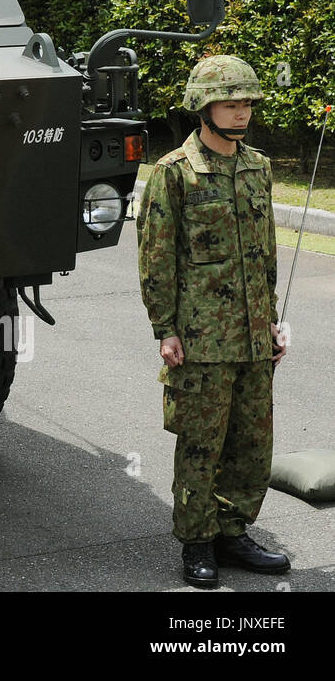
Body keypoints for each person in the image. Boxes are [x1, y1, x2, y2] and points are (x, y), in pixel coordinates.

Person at [136, 55, 290, 589]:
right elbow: (157, 258)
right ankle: (197, 542)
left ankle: (233, 532)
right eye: (231, 102)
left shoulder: (259, 167)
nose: (242, 112)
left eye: (247, 102)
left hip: (252, 335)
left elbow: (265, 254)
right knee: (201, 442)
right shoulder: (173, 173)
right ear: (203, 107)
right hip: (201, 337)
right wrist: (165, 329)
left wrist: (272, 322)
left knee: (252, 443)